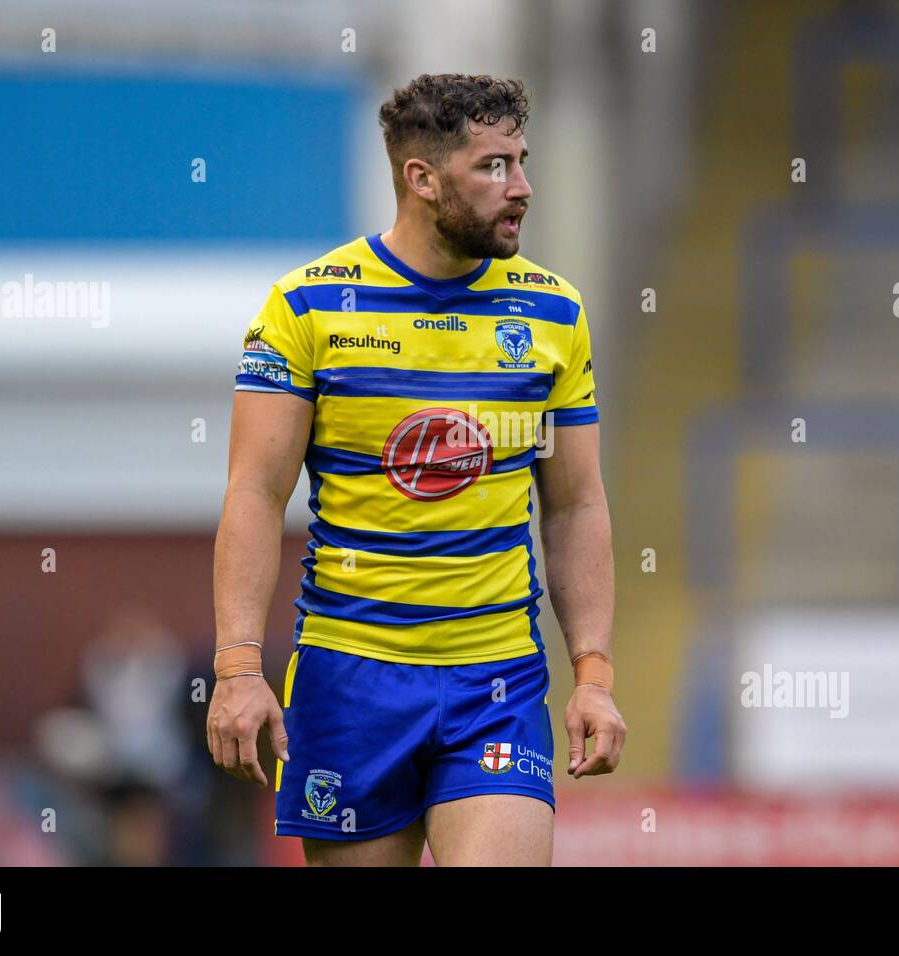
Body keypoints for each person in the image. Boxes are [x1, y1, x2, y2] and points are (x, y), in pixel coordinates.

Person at [208, 73, 624, 866]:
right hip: (350, 679)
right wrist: (236, 669)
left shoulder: (553, 314)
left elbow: (574, 507)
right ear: (422, 179)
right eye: (494, 167)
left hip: (494, 682)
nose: (522, 188)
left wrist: (594, 675)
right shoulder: (306, 308)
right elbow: (255, 496)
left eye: (522, 162)